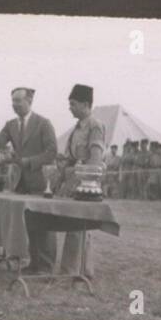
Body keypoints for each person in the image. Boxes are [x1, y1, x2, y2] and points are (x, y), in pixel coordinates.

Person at [0, 87, 59, 272]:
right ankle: (34, 263)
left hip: (40, 182)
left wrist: (29, 162)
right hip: (20, 183)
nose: (14, 105)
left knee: (44, 224)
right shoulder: (10, 124)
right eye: (12, 101)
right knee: (29, 224)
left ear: (29, 101)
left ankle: (46, 266)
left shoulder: (44, 123)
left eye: (18, 101)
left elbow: (52, 152)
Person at [51, 83, 107, 285]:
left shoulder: (95, 127)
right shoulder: (76, 129)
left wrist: (88, 184)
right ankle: (81, 270)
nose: (70, 108)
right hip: (73, 180)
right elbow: (68, 158)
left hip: (86, 183)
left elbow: (96, 158)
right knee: (75, 226)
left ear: (85, 104)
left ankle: (73, 271)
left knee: (79, 226)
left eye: (73, 104)